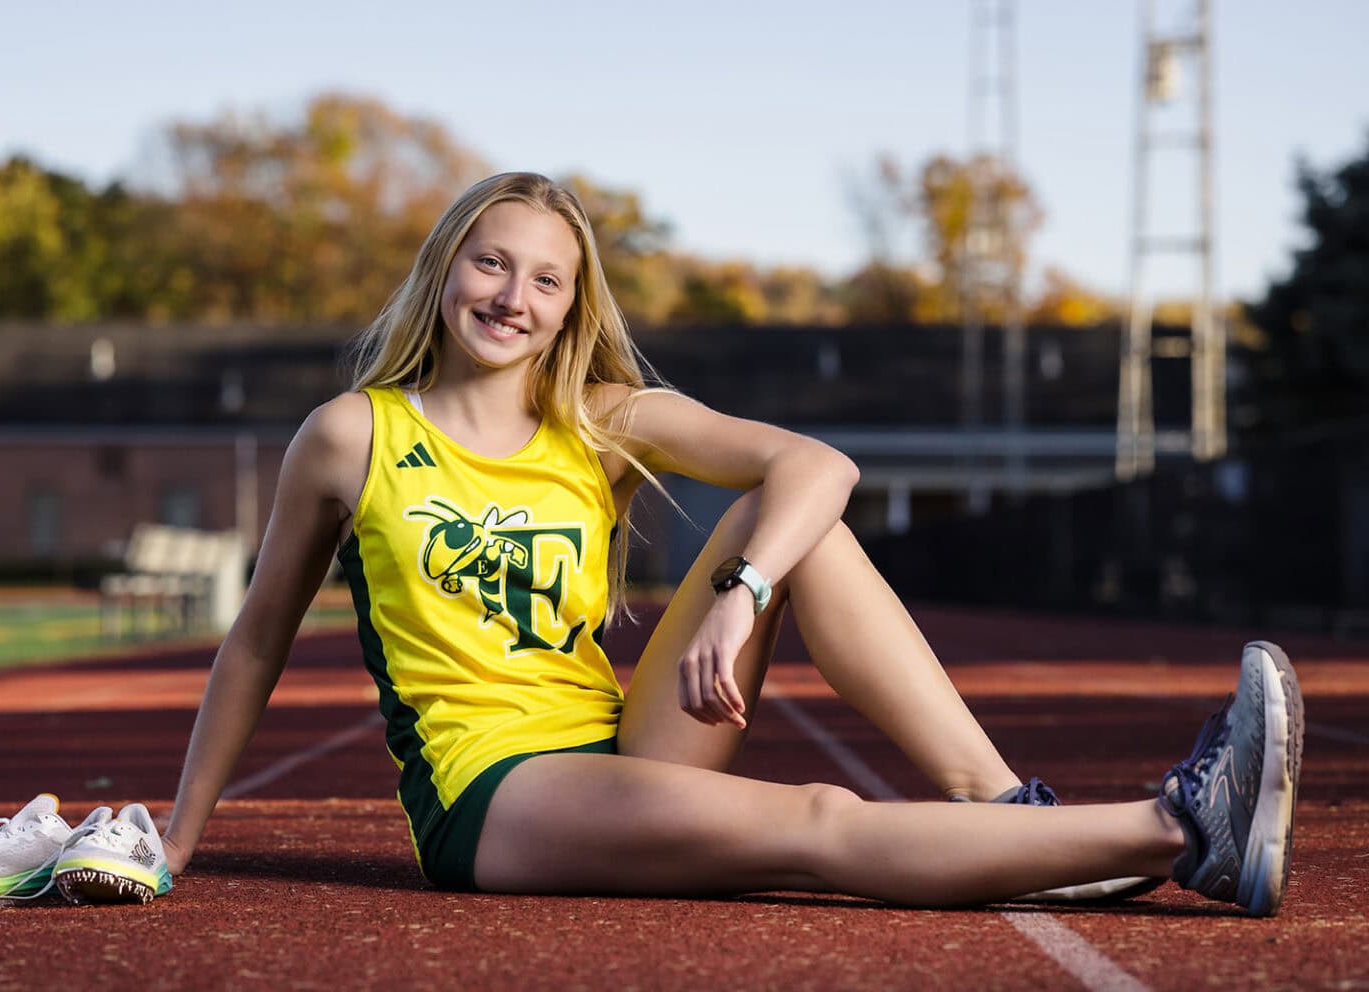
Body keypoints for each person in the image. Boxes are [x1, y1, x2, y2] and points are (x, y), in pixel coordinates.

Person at [158, 171, 1304, 916]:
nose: (513, 296)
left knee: (798, 527)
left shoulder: (594, 419)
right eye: (491, 263)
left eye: (546, 279)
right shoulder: (352, 435)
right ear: (445, 270)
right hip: (496, 794)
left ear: (571, 304)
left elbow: (821, 467)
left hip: (619, 745)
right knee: (812, 824)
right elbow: (256, 641)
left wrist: (739, 594)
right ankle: (1182, 824)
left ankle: (1011, 814)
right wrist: (182, 835)